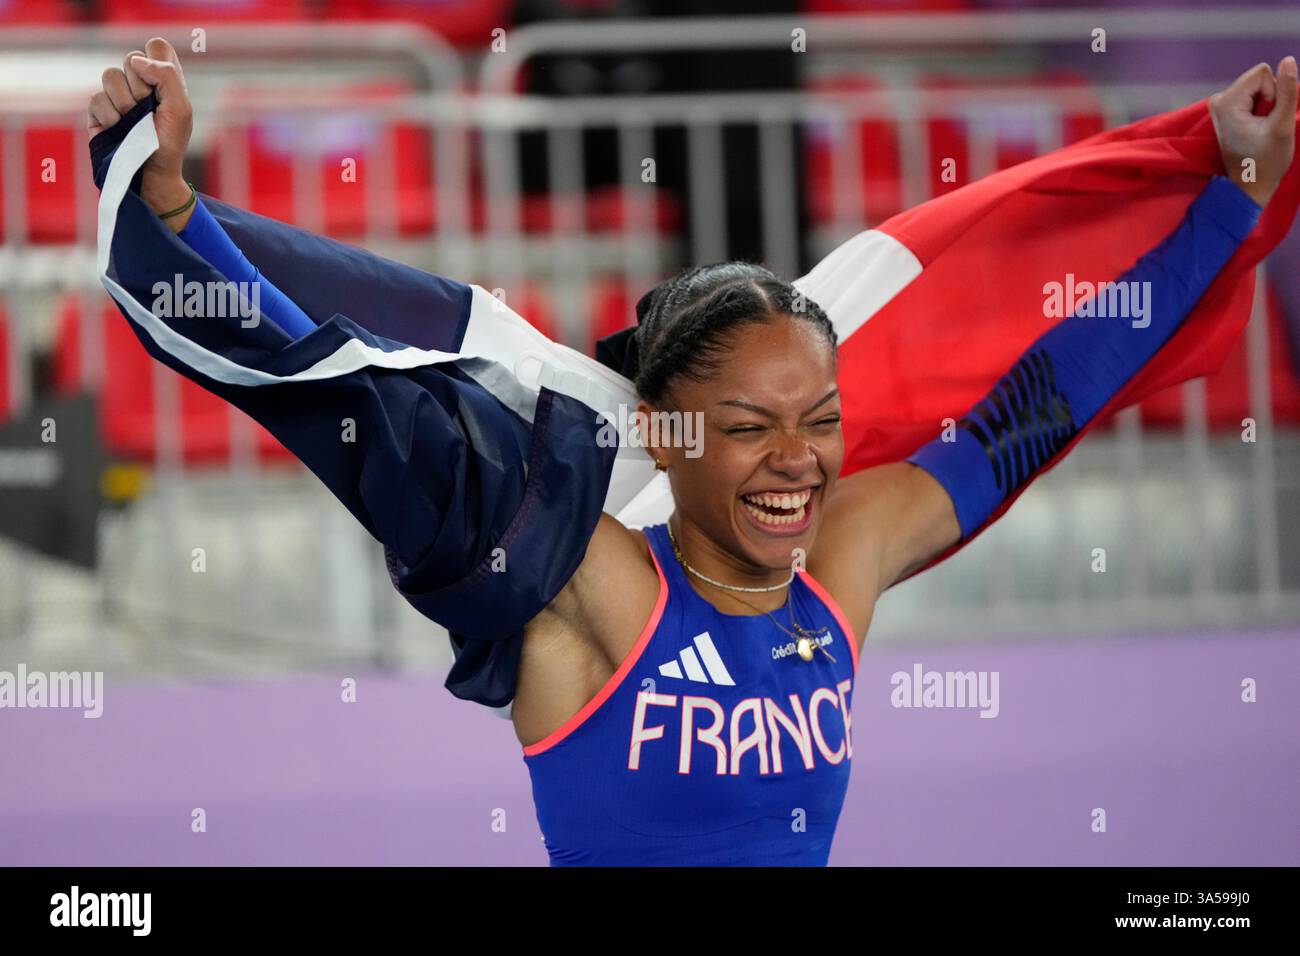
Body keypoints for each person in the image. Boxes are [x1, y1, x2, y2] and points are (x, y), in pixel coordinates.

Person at [87, 39, 1296, 865]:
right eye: (751, 428)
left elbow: (1033, 410)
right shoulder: (590, 586)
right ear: (663, 431)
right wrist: (184, 226)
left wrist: (1229, 205)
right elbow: (350, 401)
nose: (799, 462)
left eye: (819, 419)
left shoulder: (844, 560)